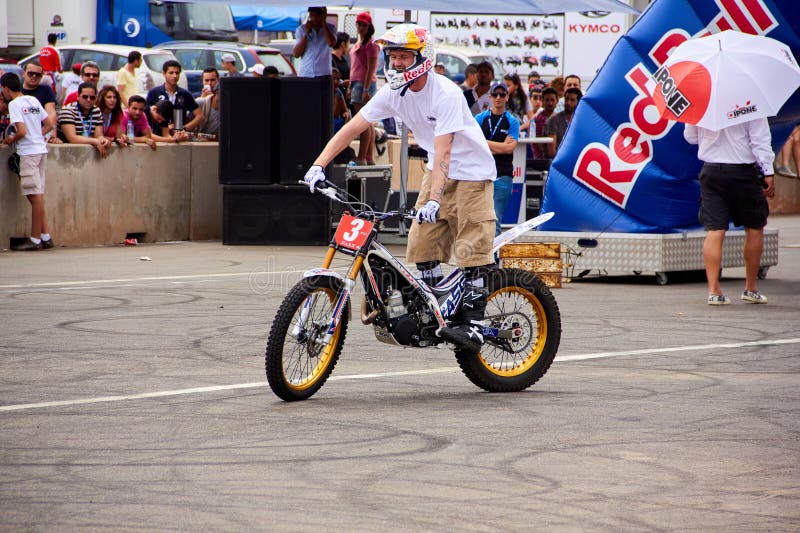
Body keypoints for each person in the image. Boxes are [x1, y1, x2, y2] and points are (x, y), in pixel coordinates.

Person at [303, 24, 498, 352]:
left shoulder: (446, 94)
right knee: (422, 245)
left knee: (471, 249)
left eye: (403, 56)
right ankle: (438, 308)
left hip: (472, 174)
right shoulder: (394, 92)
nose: (395, 63)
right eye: (392, 56)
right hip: (437, 170)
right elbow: (354, 126)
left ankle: (475, 323)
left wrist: (434, 199)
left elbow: (445, 150)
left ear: (422, 57)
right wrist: (318, 164)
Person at [684, 120, 775, 305]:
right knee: (754, 227)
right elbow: (760, 140)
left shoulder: (703, 102)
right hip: (743, 171)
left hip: (712, 170)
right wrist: (768, 171)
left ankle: (714, 291)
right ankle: (750, 288)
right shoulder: (752, 100)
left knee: (715, 230)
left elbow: (690, 137)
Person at [1, 72, 55, 251]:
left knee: (34, 195)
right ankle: (46, 236)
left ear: (7, 89)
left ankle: (35, 239)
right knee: (37, 194)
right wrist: (37, 135)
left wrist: (11, 139)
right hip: (40, 149)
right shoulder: (32, 100)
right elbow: (48, 124)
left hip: (28, 152)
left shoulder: (14, 104)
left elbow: (22, 131)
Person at [475, 81, 520, 236]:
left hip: (502, 175)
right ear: (490, 96)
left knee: (494, 221)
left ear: (507, 97)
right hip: (480, 176)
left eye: (502, 94)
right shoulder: (480, 118)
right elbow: (474, 145)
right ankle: (479, 258)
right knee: (478, 220)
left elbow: (509, 148)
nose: (498, 97)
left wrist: (484, 145)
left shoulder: (512, 121)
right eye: (495, 94)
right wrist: (498, 147)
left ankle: (492, 258)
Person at [350, 11, 380, 165]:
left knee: (363, 122)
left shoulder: (371, 45)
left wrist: (366, 90)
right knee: (367, 122)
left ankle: (363, 157)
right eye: (358, 24)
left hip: (364, 84)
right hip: (357, 83)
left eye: (363, 24)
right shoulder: (360, 43)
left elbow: (371, 68)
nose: (360, 27)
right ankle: (368, 157)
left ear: (369, 26)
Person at [146, 59, 202, 136]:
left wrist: (184, 128)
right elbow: (146, 111)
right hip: (158, 135)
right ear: (164, 73)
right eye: (171, 73)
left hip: (178, 135)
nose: (174, 76)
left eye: (177, 73)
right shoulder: (154, 92)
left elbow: (199, 116)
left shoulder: (185, 94)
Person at [57, 82, 111, 157]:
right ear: (78, 97)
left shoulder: (96, 110)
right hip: (65, 154)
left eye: (92, 97)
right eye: (85, 97)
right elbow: (73, 138)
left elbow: (98, 135)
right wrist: (95, 141)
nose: (88, 100)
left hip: (85, 154)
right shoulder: (67, 110)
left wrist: (103, 140)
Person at [293, 6, 337, 78]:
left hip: (324, 73)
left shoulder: (331, 28)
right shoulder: (301, 29)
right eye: (312, 15)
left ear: (323, 15)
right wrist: (306, 34)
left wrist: (324, 24)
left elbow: (331, 43)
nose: (314, 19)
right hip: (306, 73)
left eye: (317, 15)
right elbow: (296, 54)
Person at [543, 87, 581, 158]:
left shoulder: (581, 121)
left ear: (579, 103)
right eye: (566, 99)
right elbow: (551, 152)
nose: (568, 102)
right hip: (554, 163)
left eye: (572, 100)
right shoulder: (553, 120)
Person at [532, 87, 557, 160]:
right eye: (547, 100)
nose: (550, 103)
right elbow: (541, 146)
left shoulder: (557, 117)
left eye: (552, 100)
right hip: (543, 159)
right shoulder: (539, 119)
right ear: (542, 101)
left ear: (557, 101)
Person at [194, 68, 220, 139]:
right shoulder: (196, 98)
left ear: (218, 80)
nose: (210, 83)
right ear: (202, 81)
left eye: (212, 80)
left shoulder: (222, 96)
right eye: (206, 80)